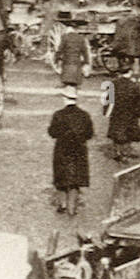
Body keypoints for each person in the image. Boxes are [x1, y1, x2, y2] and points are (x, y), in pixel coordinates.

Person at [48, 84, 93, 216]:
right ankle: (72, 208)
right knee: (75, 180)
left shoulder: (58, 115)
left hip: (62, 150)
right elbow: (89, 134)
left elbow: (52, 132)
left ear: (64, 98)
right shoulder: (84, 115)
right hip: (79, 150)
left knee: (61, 178)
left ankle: (62, 204)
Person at [106, 63, 140, 163]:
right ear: (130, 72)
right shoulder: (134, 86)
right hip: (130, 113)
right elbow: (138, 101)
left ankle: (119, 153)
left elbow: (109, 100)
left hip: (117, 113)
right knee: (129, 133)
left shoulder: (113, 84)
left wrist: (107, 112)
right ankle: (126, 152)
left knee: (118, 133)